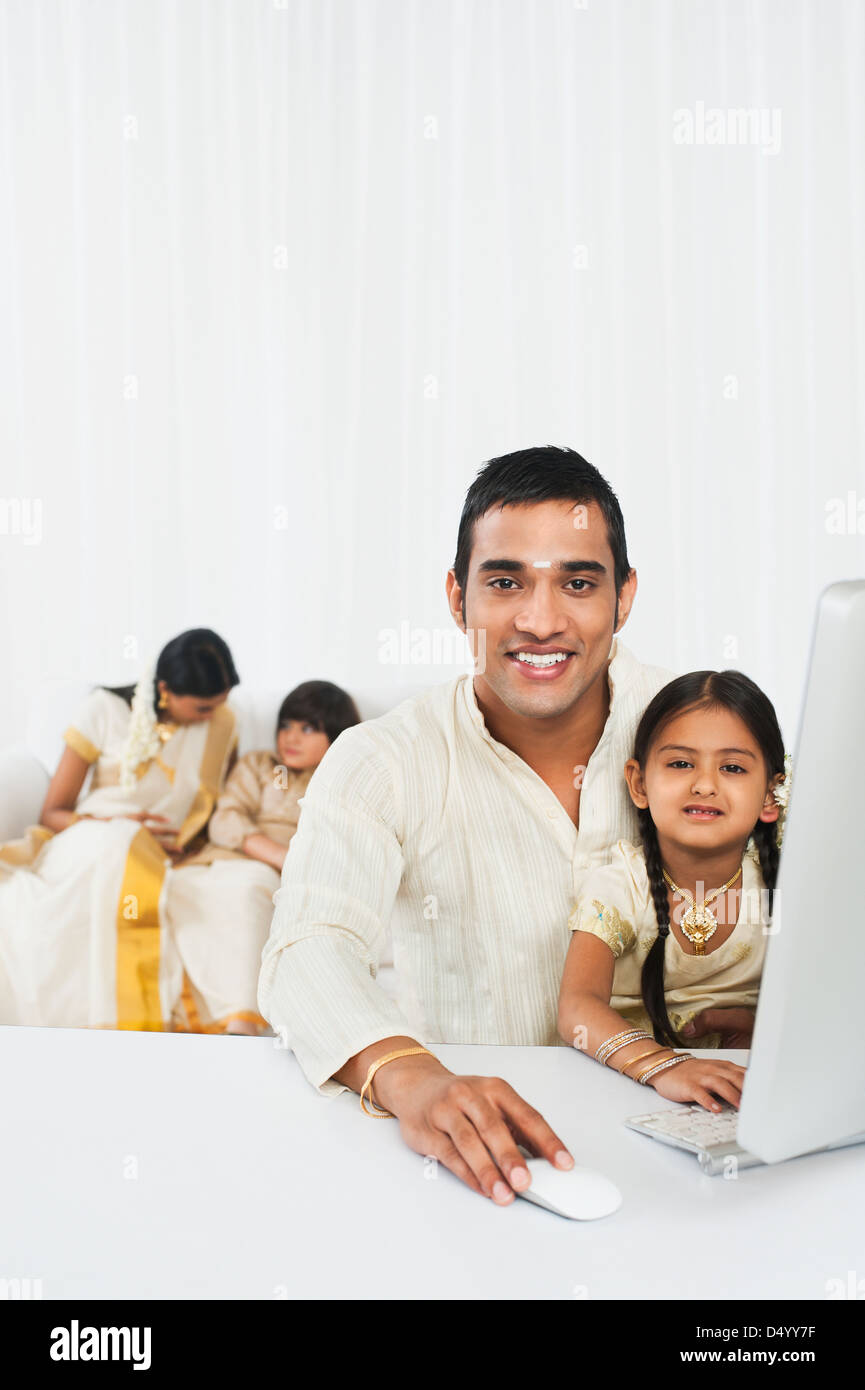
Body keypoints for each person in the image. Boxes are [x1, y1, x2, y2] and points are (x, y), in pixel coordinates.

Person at [258, 445, 677, 1207]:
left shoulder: (705, 733)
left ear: (624, 598)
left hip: (684, 1144)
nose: (539, 621)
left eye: (577, 583)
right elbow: (305, 948)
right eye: (504, 581)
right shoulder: (383, 757)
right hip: (463, 1161)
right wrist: (409, 1077)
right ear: (456, 599)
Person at [558, 670, 788, 1111]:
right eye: (681, 763)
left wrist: (758, 1026)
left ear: (769, 797)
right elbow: (575, 1009)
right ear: (640, 784)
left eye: (733, 767)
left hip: (742, 1095)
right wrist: (667, 1067)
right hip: (620, 1088)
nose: (704, 784)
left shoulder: (780, 891)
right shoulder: (621, 885)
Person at [0, 629, 239, 1031]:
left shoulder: (222, 725)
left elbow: (212, 812)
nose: (211, 716)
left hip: (164, 859)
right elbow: (53, 812)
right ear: (165, 690)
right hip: (92, 841)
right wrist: (121, 828)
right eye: (201, 708)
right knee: (117, 845)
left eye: (219, 705)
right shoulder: (103, 710)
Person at [168, 681, 361, 1035]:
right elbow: (225, 819)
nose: (291, 738)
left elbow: (342, 841)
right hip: (221, 858)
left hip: (270, 876)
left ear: (335, 735)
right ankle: (176, 1015)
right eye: (285, 725)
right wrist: (273, 852)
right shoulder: (257, 764)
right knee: (172, 889)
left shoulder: (341, 782)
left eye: (307, 728)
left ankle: (241, 1018)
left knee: (248, 891)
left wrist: (289, 863)